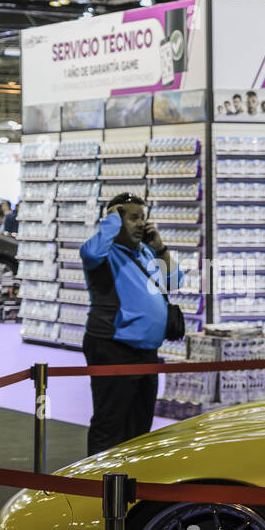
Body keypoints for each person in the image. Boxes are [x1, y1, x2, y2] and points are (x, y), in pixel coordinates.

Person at [80, 193, 183, 455]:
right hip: (113, 347)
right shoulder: (102, 254)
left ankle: (131, 487)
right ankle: (99, 487)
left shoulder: (146, 251)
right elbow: (91, 251)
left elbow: (174, 281)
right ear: (115, 220)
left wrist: (160, 247)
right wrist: (112, 219)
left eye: (143, 218)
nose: (140, 224)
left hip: (146, 352)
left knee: (140, 425)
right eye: (133, 218)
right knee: (110, 423)